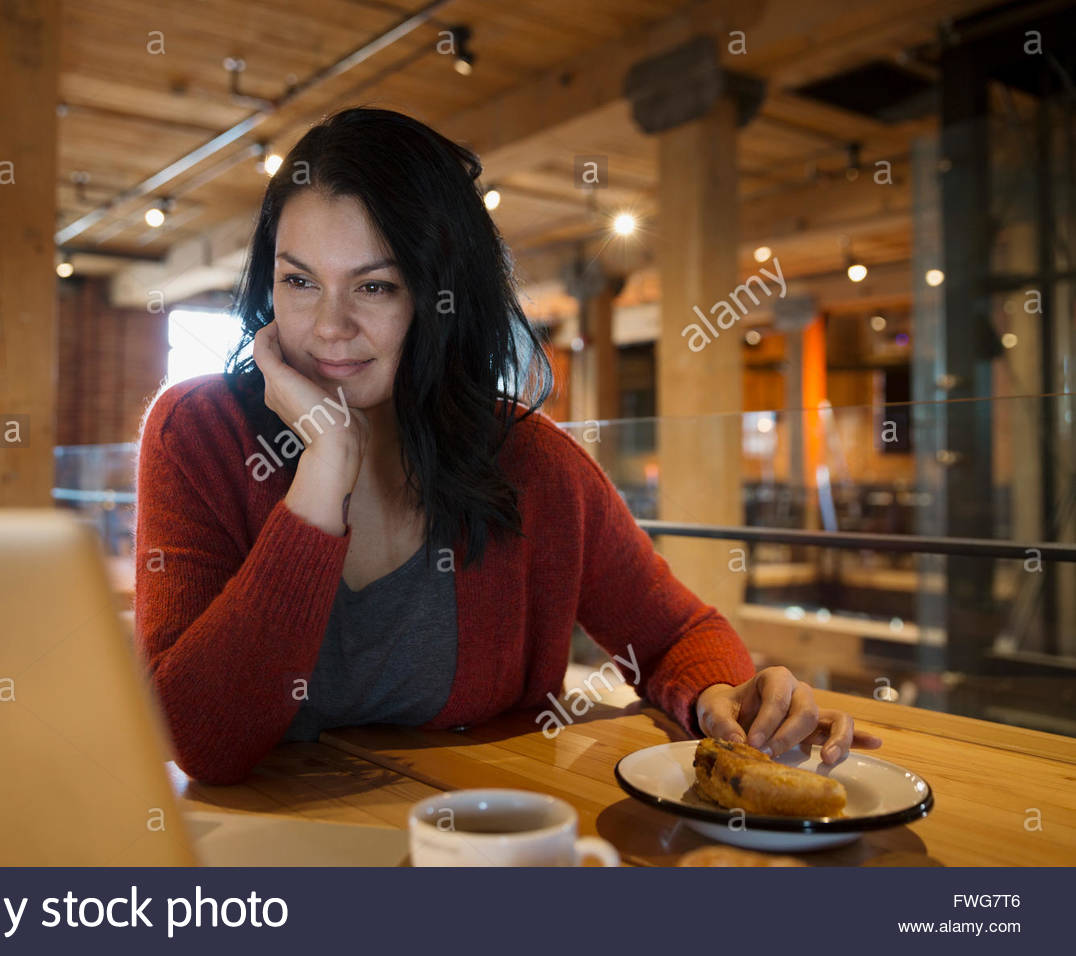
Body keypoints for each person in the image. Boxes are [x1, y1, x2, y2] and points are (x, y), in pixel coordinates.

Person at [134, 107, 881, 785]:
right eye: (300, 281)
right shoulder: (195, 437)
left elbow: (676, 633)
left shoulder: (528, 462)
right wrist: (322, 473)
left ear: (439, 296)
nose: (329, 326)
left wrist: (722, 697)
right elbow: (201, 740)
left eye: (375, 287)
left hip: (479, 853)